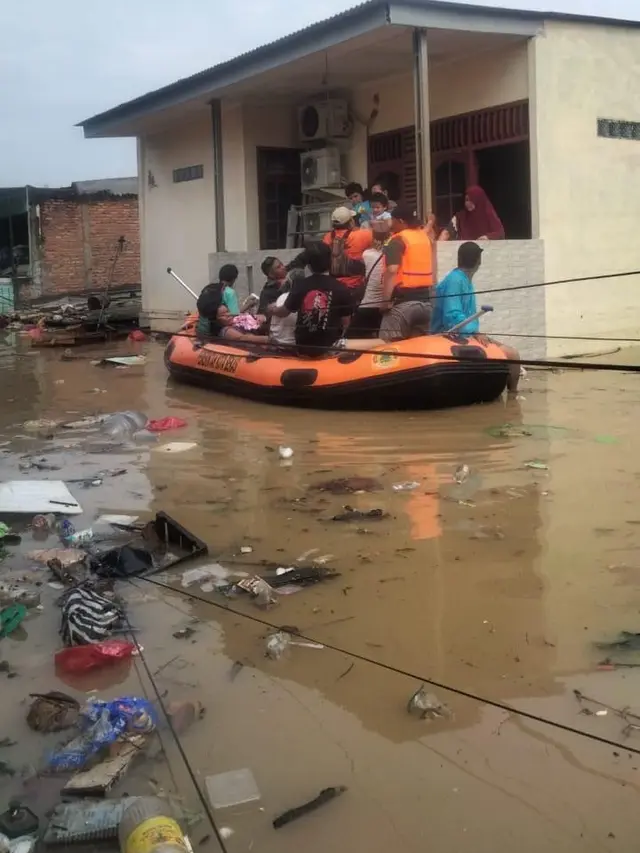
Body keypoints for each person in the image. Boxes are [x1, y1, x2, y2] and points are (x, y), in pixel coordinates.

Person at [430, 241, 520, 391]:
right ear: (478, 261)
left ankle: (511, 394)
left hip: (465, 333)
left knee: (512, 353)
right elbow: (452, 315)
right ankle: (513, 397)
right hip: (449, 336)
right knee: (512, 355)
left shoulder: (463, 279)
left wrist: (474, 332)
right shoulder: (455, 281)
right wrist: (475, 332)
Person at [268, 242, 352, 357]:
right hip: (330, 348)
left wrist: (271, 309)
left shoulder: (300, 286)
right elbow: (346, 324)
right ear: (331, 261)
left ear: (309, 265)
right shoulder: (341, 288)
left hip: (303, 348)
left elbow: (284, 312)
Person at [381, 203, 435, 307]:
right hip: (425, 298)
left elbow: (392, 270)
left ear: (400, 221)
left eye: (392, 219)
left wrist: (385, 302)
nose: (391, 223)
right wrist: (430, 223)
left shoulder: (398, 240)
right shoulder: (425, 238)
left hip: (403, 298)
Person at [348, 219, 390, 338]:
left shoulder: (367, 254)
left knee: (350, 339)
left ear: (373, 236)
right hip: (387, 307)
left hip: (368, 304)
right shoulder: (394, 254)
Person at [322, 206, 373, 306]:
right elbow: (384, 238)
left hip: (334, 287)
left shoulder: (327, 238)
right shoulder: (362, 235)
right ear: (350, 222)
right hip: (356, 286)